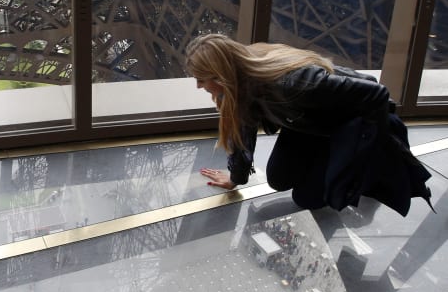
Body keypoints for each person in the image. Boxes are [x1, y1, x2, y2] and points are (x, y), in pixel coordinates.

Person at [185, 34, 432, 216]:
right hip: (308, 121)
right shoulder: (245, 76)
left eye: (200, 79)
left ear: (221, 75)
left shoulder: (293, 84)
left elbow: (377, 93)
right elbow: (244, 129)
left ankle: (357, 173)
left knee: (306, 198)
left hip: (345, 125)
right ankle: (322, 163)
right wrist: (235, 178)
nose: (198, 86)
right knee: (278, 180)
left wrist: (366, 150)